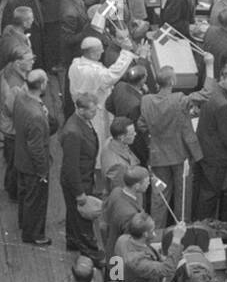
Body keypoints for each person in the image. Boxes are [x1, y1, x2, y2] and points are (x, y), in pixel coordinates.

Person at [139, 66, 202, 222]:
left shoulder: (146, 100)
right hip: (181, 155)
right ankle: (181, 230)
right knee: (183, 197)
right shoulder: (180, 98)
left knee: (159, 196)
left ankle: (155, 233)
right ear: (173, 81)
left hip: (157, 156)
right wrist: (209, 65)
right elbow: (206, 93)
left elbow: (141, 125)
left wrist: (152, 140)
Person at [194, 62, 227, 222]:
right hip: (216, 157)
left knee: (204, 191)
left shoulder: (212, 91)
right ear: (222, 78)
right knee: (210, 194)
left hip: (204, 149)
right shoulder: (223, 105)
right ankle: (204, 225)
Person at [60, 94, 105, 263]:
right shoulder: (73, 132)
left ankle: (72, 241)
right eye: (92, 111)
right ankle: (91, 253)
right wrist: (79, 193)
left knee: (73, 214)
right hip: (77, 181)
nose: (95, 113)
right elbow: (70, 167)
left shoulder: (82, 122)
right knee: (83, 218)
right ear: (80, 109)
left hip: (84, 175)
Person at [13, 70, 53, 245]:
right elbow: (36, 148)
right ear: (42, 85)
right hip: (32, 165)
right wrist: (43, 171)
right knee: (36, 200)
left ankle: (24, 223)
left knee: (25, 195)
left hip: (20, 158)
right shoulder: (36, 115)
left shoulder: (21, 98)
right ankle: (34, 234)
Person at [0, 51, 33, 202]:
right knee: (14, 162)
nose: (32, 61)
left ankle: (9, 186)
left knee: (11, 159)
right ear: (19, 63)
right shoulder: (16, 86)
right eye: (30, 59)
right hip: (14, 129)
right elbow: (14, 109)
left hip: (8, 126)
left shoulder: (9, 70)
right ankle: (14, 192)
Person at [103, 166, 151, 259]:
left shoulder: (116, 191)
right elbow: (132, 245)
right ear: (137, 186)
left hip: (111, 249)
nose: (149, 183)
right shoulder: (130, 215)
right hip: (120, 262)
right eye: (146, 181)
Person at [101, 116, 143, 194]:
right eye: (132, 133)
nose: (135, 134)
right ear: (122, 137)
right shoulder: (118, 166)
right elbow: (122, 195)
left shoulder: (111, 141)